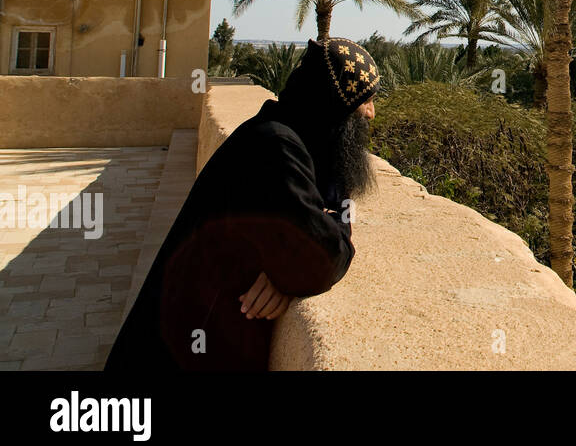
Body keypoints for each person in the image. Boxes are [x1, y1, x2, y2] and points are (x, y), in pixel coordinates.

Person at [105, 37, 380, 371]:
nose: (371, 113)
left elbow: (315, 237)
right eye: (364, 102)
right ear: (331, 107)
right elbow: (324, 256)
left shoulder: (285, 137)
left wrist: (288, 273)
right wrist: (299, 267)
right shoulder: (277, 149)